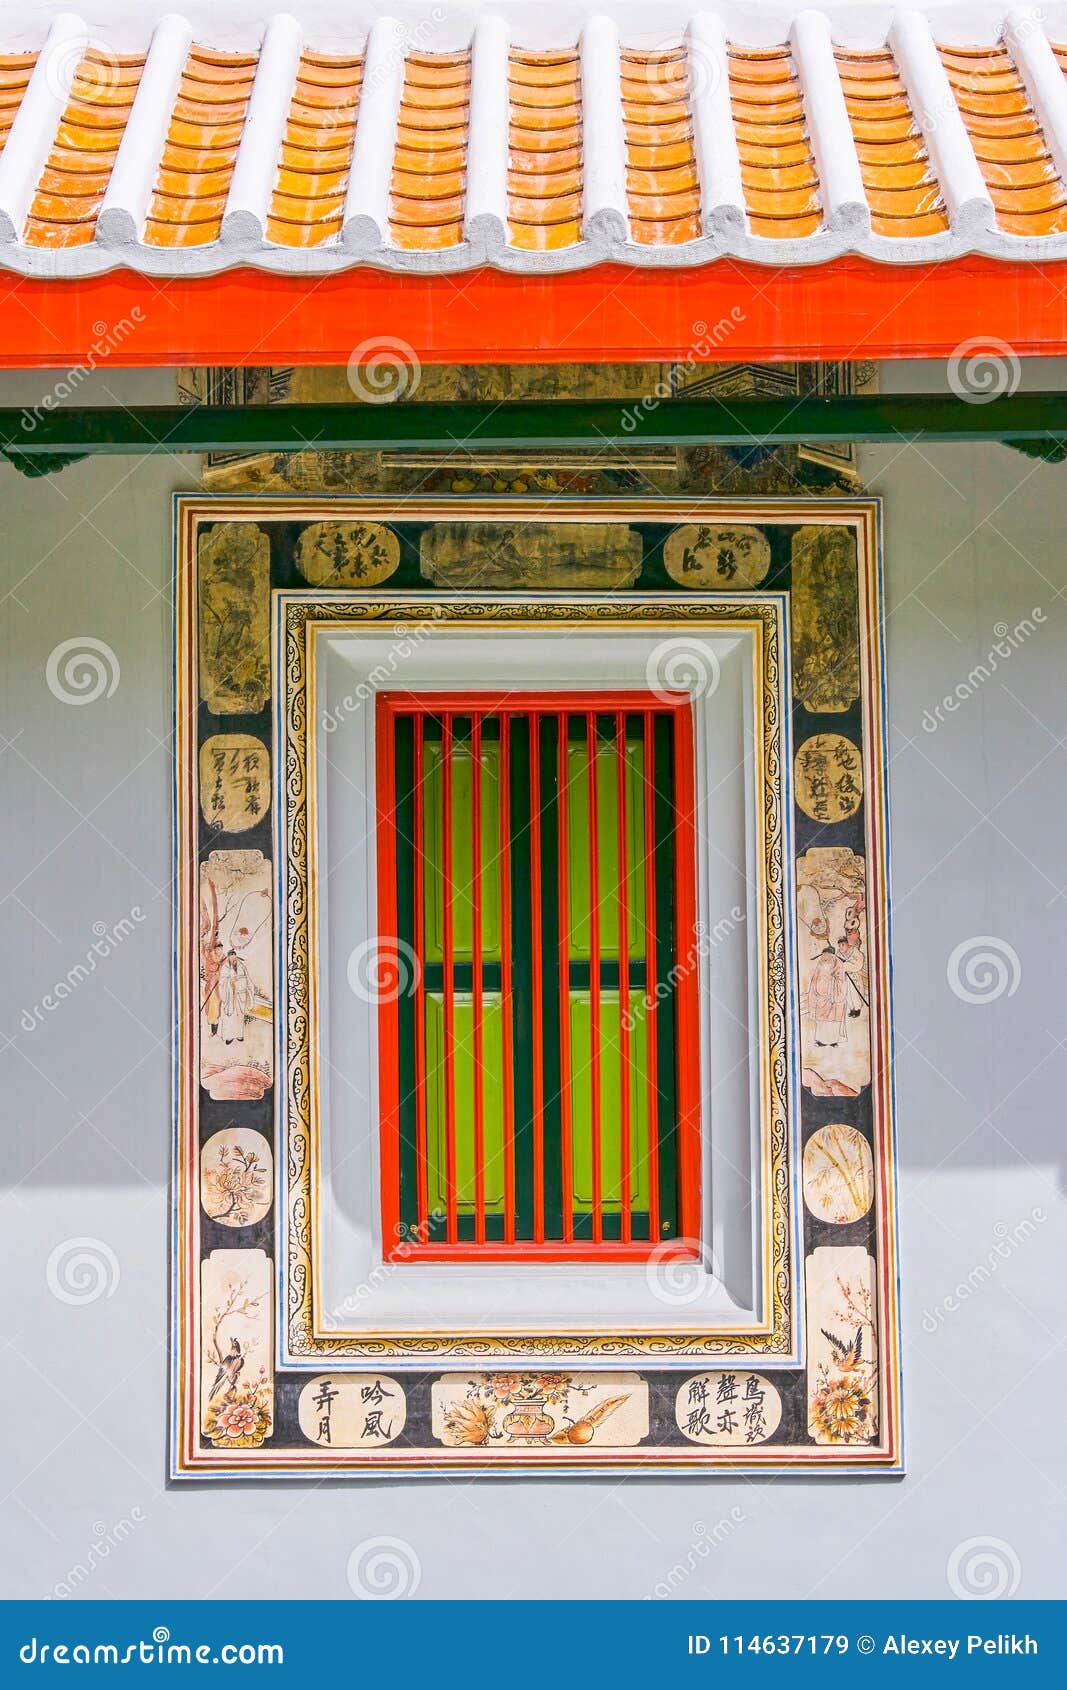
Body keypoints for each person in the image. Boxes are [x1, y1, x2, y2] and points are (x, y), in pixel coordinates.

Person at [218, 949, 254, 1045]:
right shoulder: (225, 968)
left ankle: (239, 1035)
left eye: (235, 957)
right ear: (228, 958)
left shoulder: (242, 966)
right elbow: (222, 982)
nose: (234, 960)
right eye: (231, 958)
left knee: (239, 1016)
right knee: (231, 1017)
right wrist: (229, 982)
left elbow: (248, 979)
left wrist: (250, 988)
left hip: (241, 995)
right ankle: (229, 1036)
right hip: (230, 996)